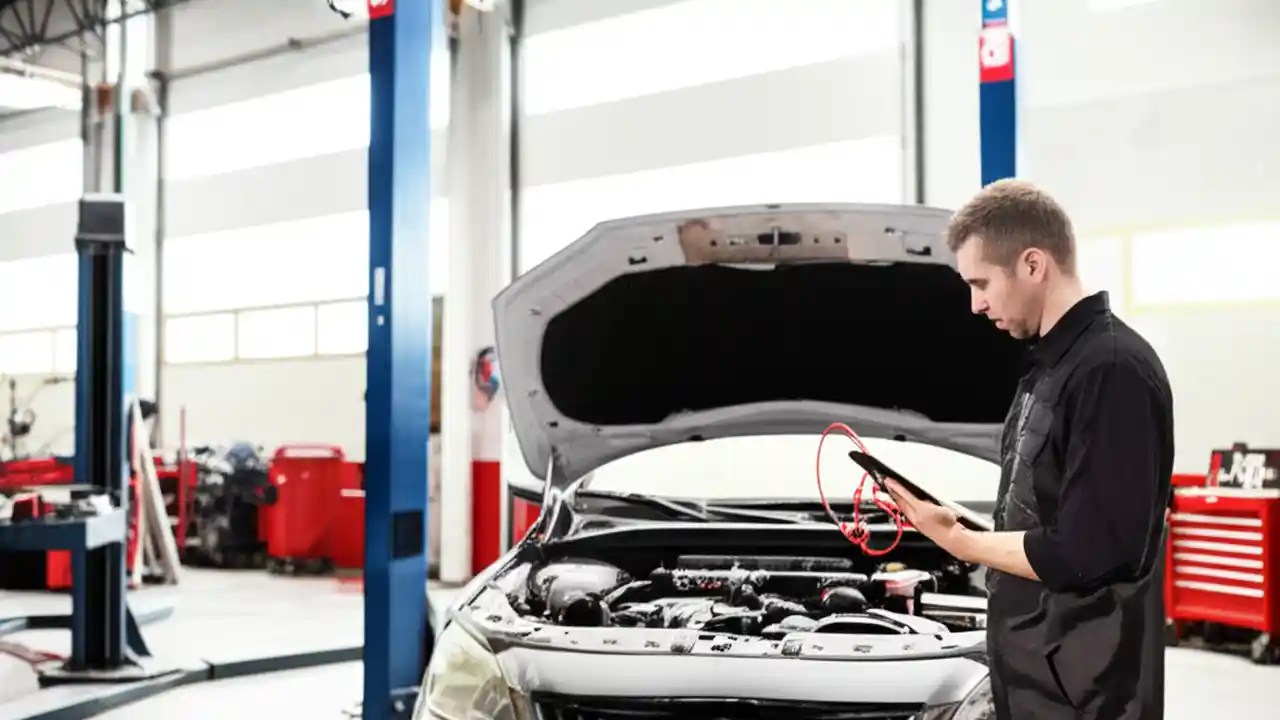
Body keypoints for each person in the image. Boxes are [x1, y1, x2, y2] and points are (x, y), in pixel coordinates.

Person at [882, 179, 1174, 719]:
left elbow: (1091, 551)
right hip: (1041, 679)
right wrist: (964, 524)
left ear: (1034, 265)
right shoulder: (1051, 366)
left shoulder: (1111, 371)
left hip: (1088, 695)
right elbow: (1047, 512)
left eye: (981, 282)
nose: (975, 304)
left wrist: (961, 543)